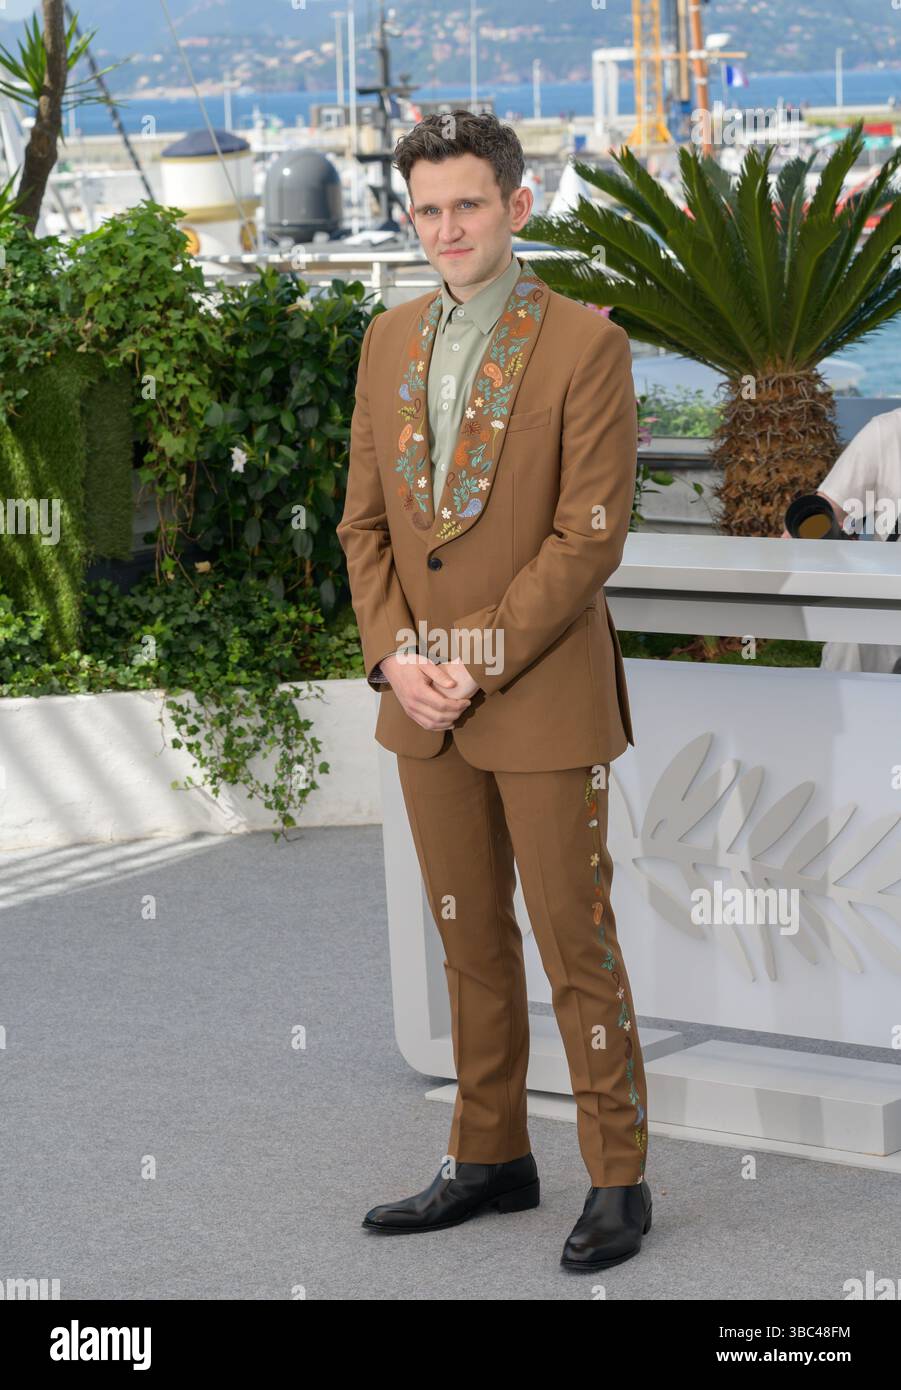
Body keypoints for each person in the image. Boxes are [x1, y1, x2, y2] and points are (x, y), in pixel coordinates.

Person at [337, 110, 650, 1272]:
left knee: (578, 943)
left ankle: (618, 1174)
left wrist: (470, 653)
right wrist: (394, 661)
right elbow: (361, 523)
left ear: (517, 205)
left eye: (466, 204)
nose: (445, 228)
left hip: (537, 691)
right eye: (426, 209)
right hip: (421, 700)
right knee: (467, 940)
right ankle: (490, 1155)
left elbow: (587, 538)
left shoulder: (584, 346)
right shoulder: (384, 338)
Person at [807, 408, 901, 674]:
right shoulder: (887, 431)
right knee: (850, 637)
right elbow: (827, 508)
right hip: (893, 594)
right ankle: (845, 710)